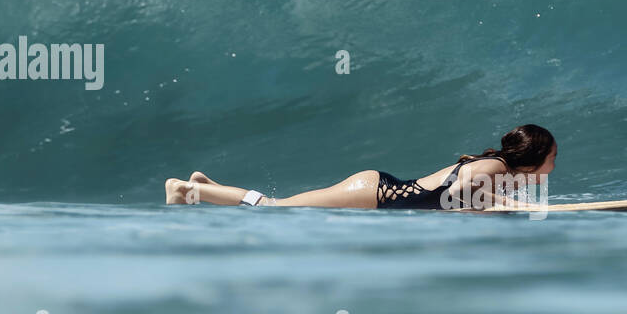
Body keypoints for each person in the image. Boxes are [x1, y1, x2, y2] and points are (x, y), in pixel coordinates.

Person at [164, 124, 556, 210]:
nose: (554, 167)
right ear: (534, 157)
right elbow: (459, 200)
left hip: (379, 192)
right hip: (374, 193)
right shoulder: (495, 169)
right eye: (552, 159)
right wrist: (518, 208)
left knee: (276, 207)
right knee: (272, 208)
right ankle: (185, 189)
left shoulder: (505, 175)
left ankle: (204, 185)